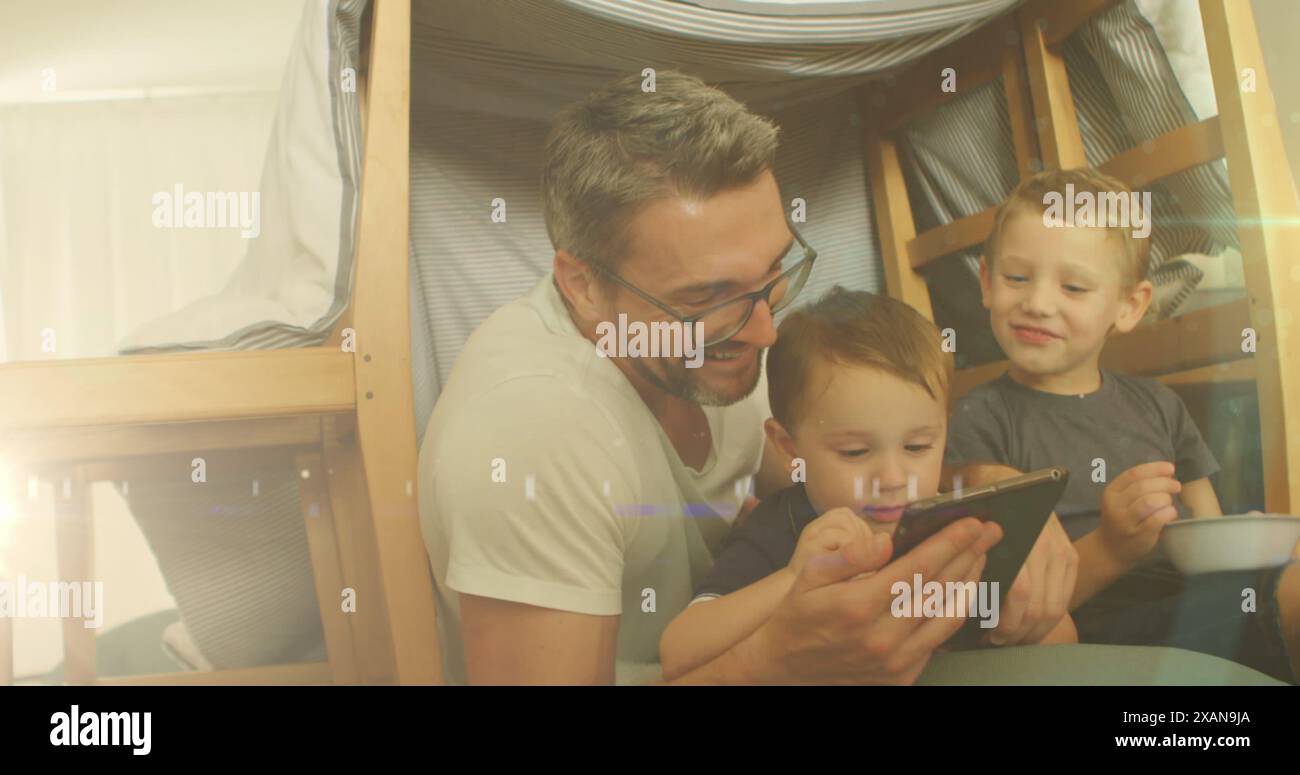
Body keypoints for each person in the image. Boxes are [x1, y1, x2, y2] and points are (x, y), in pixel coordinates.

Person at [417, 70, 1075, 685]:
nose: (765, 331)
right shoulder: (530, 432)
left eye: (772, 275)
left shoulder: (717, 345)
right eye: (709, 297)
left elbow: (825, 468)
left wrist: (982, 497)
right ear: (583, 285)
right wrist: (771, 661)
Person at [944, 167, 1299, 682]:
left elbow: (1209, 534)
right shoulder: (978, 427)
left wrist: (1259, 546)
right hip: (1094, 627)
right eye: (1016, 277)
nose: (1038, 303)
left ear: (1129, 306)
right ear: (985, 281)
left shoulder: (1159, 405)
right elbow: (1005, 613)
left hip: (1200, 607)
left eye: (1073, 286)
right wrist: (1110, 547)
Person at [660, 288, 1077, 680]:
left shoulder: (958, 524)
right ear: (789, 446)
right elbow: (679, 651)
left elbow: (1065, 642)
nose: (893, 480)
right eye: (855, 453)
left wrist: (1021, 616)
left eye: (917, 447)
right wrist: (793, 577)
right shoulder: (783, 529)